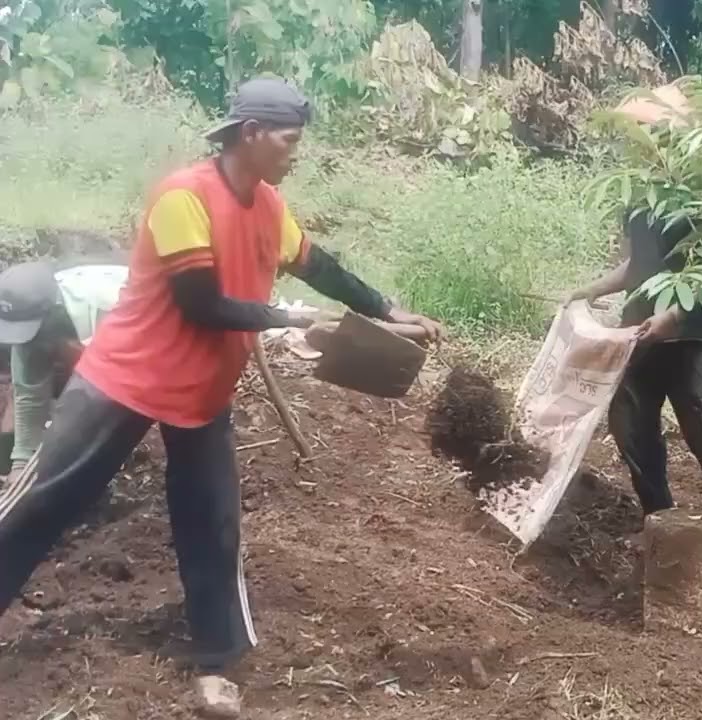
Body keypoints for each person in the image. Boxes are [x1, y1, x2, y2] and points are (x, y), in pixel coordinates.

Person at [0, 77, 444, 719]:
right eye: (290, 141)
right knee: (44, 501)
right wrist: (291, 321)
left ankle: (215, 665)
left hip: (201, 392)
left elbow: (320, 265)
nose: (296, 153)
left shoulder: (268, 207)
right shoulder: (185, 196)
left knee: (213, 524)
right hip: (124, 378)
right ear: (252, 133)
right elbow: (201, 304)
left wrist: (388, 308)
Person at [568, 85, 702, 518]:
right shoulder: (638, 197)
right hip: (638, 332)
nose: (637, 140)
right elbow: (634, 265)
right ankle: (658, 516)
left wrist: (673, 315)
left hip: (690, 334)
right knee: (630, 425)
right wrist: (591, 290)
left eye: (645, 131)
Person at [0, 261, 128, 481]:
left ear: (54, 309)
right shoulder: (28, 319)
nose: (27, 340)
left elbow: (115, 393)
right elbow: (29, 396)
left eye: (33, 330)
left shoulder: (108, 307)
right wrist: (21, 463)